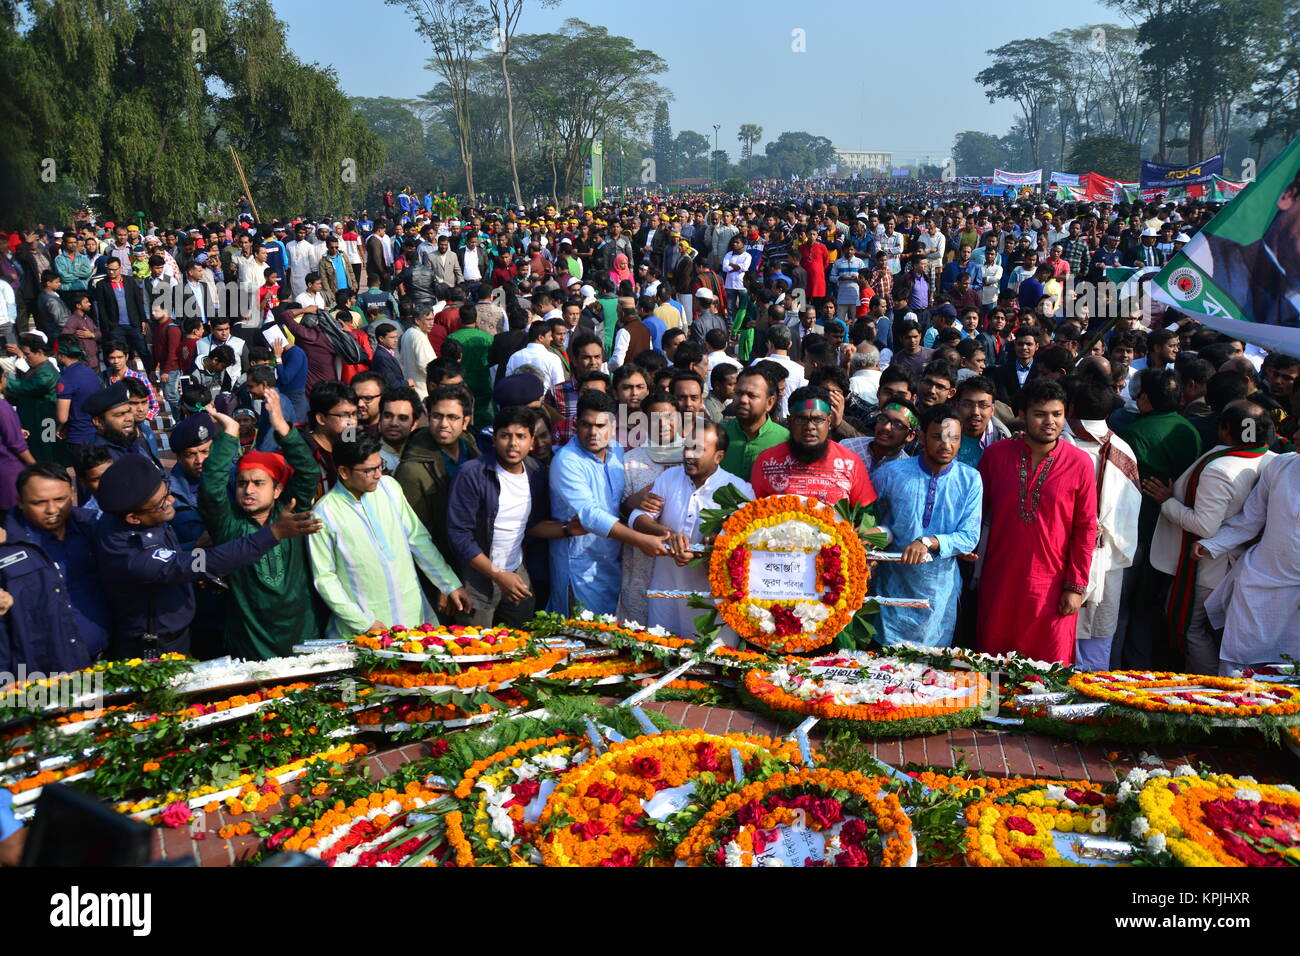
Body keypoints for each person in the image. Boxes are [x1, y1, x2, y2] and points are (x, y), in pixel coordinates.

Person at [94, 453, 320, 657]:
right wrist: (273, 533)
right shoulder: (134, 556)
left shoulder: (139, 516)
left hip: (180, 633)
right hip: (154, 647)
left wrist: (193, 550)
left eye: (168, 492)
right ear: (133, 518)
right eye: (162, 502)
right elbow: (202, 563)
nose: (171, 501)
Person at [1148, 402, 1275, 674]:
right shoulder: (1273, 460)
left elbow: (1203, 526)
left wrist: (1167, 502)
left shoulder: (1221, 468)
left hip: (1208, 566)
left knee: (1189, 628)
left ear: (1226, 430)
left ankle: (1209, 687)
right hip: (1251, 565)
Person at [976, 379, 1098, 665]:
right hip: (1001, 582)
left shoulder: (1079, 463)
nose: (1050, 422)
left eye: (1057, 414)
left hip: (1052, 587)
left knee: (1047, 674)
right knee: (994, 668)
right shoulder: (996, 455)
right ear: (1023, 415)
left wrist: (1075, 586)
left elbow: (1086, 528)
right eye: (1040, 414)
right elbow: (975, 511)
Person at [199, 393, 325, 659]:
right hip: (251, 644)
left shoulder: (291, 515)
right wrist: (230, 434)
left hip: (303, 636)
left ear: (278, 489)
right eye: (243, 483)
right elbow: (211, 490)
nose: (248, 490)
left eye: (259, 483)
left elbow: (308, 472)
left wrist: (282, 428)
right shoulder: (228, 525)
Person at [309, 433, 471, 638]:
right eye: (369, 470)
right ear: (343, 472)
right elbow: (325, 578)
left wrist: (449, 584)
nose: (378, 474)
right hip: (366, 627)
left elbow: (418, 540)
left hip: (413, 617)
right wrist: (363, 623)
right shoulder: (325, 513)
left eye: (380, 465)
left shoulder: (389, 488)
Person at [446, 407, 570, 627]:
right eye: (505, 436)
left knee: (520, 645)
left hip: (516, 573)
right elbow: (460, 536)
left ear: (531, 442)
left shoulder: (535, 471)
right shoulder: (471, 474)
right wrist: (498, 575)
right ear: (494, 440)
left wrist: (569, 529)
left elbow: (532, 525)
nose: (513, 443)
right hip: (477, 580)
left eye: (521, 436)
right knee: (476, 651)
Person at [548, 390, 669, 615]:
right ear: (575, 424)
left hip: (612, 561)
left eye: (601, 426)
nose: (593, 432)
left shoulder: (616, 451)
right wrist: (641, 539)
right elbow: (591, 515)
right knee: (582, 638)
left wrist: (631, 503)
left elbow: (614, 505)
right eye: (586, 425)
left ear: (613, 427)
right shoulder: (567, 461)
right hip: (579, 566)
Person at [631, 420, 754, 642]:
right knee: (660, 658)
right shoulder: (669, 478)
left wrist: (711, 547)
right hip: (666, 596)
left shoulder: (739, 490)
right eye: (687, 446)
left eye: (698, 449)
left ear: (718, 456)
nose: (689, 454)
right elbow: (638, 518)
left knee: (713, 667)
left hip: (712, 605)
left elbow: (747, 545)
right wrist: (668, 534)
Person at [871, 404, 982, 647]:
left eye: (954, 438)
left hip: (938, 593)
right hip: (891, 588)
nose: (946, 445)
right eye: (937, 437)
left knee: (930, 673)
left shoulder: (970, 479)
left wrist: (928, 541)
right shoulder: (891, 473)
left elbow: (969, 536)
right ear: (921, 437)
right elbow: (870, 520)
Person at [1114, 367, 1203, 667]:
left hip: (1136, 532)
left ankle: (1120, 669)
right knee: (1152, 608)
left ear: (1145, 400)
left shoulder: (1133, 433)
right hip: (1176, 533)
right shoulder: (1189, 430)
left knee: (1122, 608)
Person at [1061, 380, 1142, 671]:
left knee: (1057, 636)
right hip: (1106, 559)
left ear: (1069, 407)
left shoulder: (1053, 442)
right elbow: (1129, 517)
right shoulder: (1124, 450)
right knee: (1096, 639)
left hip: (1059, 553)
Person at [1195, 451, 1300, 673]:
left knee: (1292, 668)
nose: (1297, 434)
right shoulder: (1281, 465)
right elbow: (1252, 517)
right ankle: (1233, 706)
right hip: (1260, 578)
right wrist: (1214, 543)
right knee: (1239, 656)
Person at [1, 464, 111, 673]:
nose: (52, 510)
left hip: (111, 659)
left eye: (60, 500)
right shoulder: (7, 550)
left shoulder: (94, 527)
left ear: (72, 493)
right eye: (39, 503)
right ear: (20, 502)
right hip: (50, 676)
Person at [750, 385, 877, 508]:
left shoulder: (850, 462)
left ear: (829, 421)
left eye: (818, 419)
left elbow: (867, 514)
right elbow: (751, 509)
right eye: (801, 419)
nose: (810, 426)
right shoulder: (766, 461)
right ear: (789, 422)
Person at [395, 385, 478, 571]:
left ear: (465, 422)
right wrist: (443, 578)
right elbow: (418, 534)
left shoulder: (471, 447)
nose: (443, 424)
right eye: (437, 416)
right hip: (444, 564)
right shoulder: (412, 469)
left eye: (452, 417)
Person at [617, 392, 683, 625]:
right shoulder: (630, 460)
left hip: (681, 555)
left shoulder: (693, 456)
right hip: (643, 558)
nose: (663, 424)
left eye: (669, 416)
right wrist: (631, 502)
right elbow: (618, 512)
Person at [720, 366, 788, 479]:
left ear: (769, 403)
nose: (743, 400)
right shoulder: (718, 434)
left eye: (752, 396)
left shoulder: (785, 440)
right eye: (738, 393)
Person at [165, 412, 216, 551]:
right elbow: (164, 552)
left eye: (205, 451)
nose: (199, 461)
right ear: (179, 457)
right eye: (190, 455)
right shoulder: (166, 495)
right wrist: (196, 545)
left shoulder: (237, 479)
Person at [844, 398, 918, 477]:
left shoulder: (907, 472)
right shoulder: (848, 447)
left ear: (910, 436)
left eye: (898, 425)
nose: (886, 427)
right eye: (883, 419)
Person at [954, 375, 1008, 467]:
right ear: (957, 406)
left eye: (983, 405)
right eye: (967, 404)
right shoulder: (943, 434)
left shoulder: (1003, 439)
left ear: (992, 410)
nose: (975, 412)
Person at [400, 307, 439, 401]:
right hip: (422, 390)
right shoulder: (419, 336)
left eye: (432, 319)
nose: (431, 323)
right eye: (428, 320)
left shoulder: (408, 332)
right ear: (417, 320)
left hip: (412, 387)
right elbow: (424, 365)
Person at [378, 387, 420, 474]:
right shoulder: (367, 456)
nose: (394, 423)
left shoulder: (423, 455)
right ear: (380, 418)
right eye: (388, 416)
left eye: (402, 418)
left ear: (414, 424)